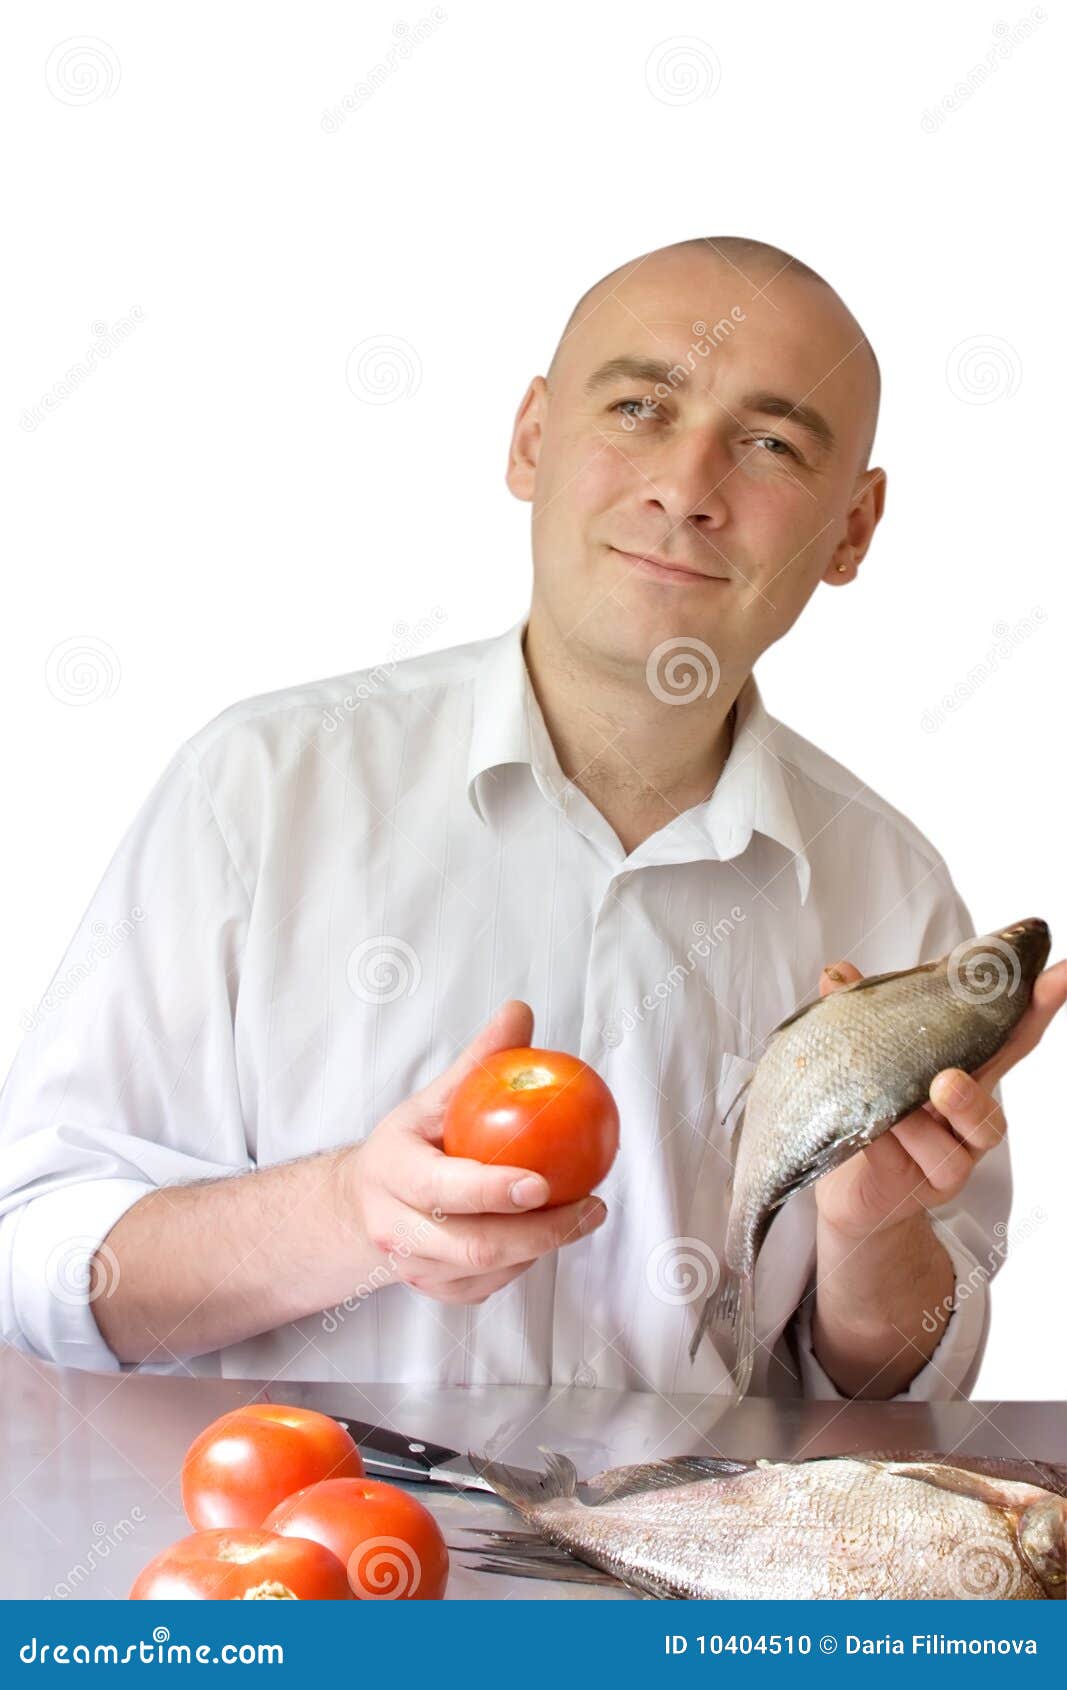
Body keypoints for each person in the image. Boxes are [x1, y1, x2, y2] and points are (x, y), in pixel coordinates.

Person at [1, 236, 1063, 1399]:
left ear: (852, 528)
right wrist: (349, 1209)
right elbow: (42, 1261)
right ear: (531, 440)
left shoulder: (892, 889)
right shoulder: (259, 786)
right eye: (638, 407)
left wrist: (868, 1238)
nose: (686, 489)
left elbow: (899, 1395)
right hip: (297, 1561)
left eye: (768, 443)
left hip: (688, 1575)